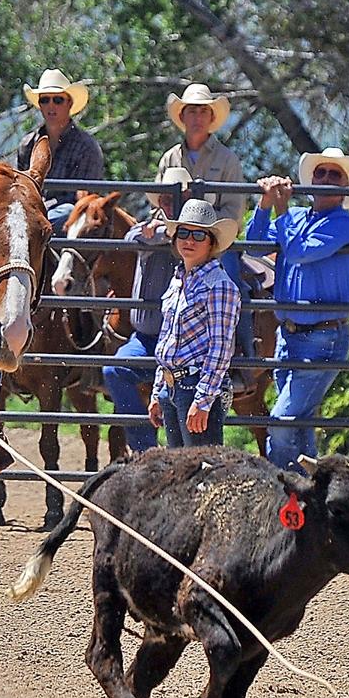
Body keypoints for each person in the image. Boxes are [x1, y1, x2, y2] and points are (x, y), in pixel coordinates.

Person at [247, 147, 349, 471]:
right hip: (290, 335)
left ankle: (282, 488)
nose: (325, 178)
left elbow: (299, 252)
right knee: (298, 422)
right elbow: (254, 246)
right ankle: (307, 492)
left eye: (334, 174)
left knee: (282, 422)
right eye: (320, 172)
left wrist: (280, 209)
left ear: (344, 187)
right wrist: (265, 205)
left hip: (322, 338)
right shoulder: (297, 216)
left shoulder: (342, 223)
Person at [155, 82, 253, 390]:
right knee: (149, 279)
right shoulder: (170, 158)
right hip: (175, 238)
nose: (197, 117)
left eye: (202, 111)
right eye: (191, 111)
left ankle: (243, 359)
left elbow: (234, 211)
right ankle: (148, 348)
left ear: (211, 118)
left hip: (217, 244)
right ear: (182, 117)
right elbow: (159, 201)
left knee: (234, 284)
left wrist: (205, 230)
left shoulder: (228, 160)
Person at [101, 167, 189, 452]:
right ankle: (146, 449)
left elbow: (176, 238)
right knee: (114, 370)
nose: (167, 202)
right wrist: (159, 232)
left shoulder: (192, 233)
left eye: (173, 197)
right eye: (164, 197)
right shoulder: (147, 225)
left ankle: (180, 451)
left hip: (180, 342)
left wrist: (161, 232)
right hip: (145, 337)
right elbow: (131, 238)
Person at [148, 199, 240, 447]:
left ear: (211, 242)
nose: (189, 240)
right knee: (180, 465)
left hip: (195, 385)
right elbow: (167, 338)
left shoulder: (219, 285)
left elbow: (221, 348)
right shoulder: (178, 280)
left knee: (201, 465)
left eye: (199, 235)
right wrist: (158, 391)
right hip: (173, 384)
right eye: (184, 233)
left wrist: (203, 399)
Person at [17, 69, 105, 233]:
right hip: (33, 211)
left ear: (69, 103)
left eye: (58, 100)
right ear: (40, 105)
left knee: (66, 213)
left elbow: (85, 199)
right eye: (45, 100)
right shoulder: (27, 144)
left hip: (67, 216)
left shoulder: (86, 147)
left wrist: (41, 210)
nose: (51, 106)